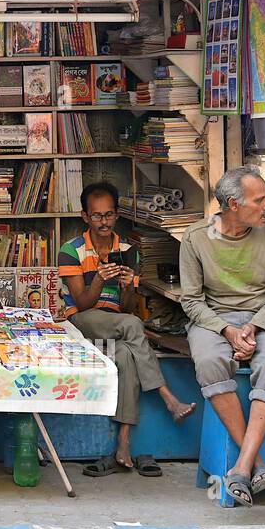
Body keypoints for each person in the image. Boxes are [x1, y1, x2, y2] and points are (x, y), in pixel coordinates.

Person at [59, 182, 195, 478]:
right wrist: (98, 280)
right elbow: (81, 304)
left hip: (116, 327)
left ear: (117, 215)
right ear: (85, 217)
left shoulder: (128, 251)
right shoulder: (71, 250)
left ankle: (123, 444)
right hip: (82, 322)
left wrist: (127, 284)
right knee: (133, 327)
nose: (104, 222)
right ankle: (168, 397)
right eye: (97, 216)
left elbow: (129, 307)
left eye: (109, 215)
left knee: (127, 358)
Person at [179, 166, 265, 507]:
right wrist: (228, 331)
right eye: (260, 200)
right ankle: (256, 464)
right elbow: (192, 301)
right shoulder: (196, 237)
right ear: (233, 204)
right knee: (210, 360)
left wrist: (253, 327)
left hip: (264, 319)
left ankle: (242, 466)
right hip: (214, 321)